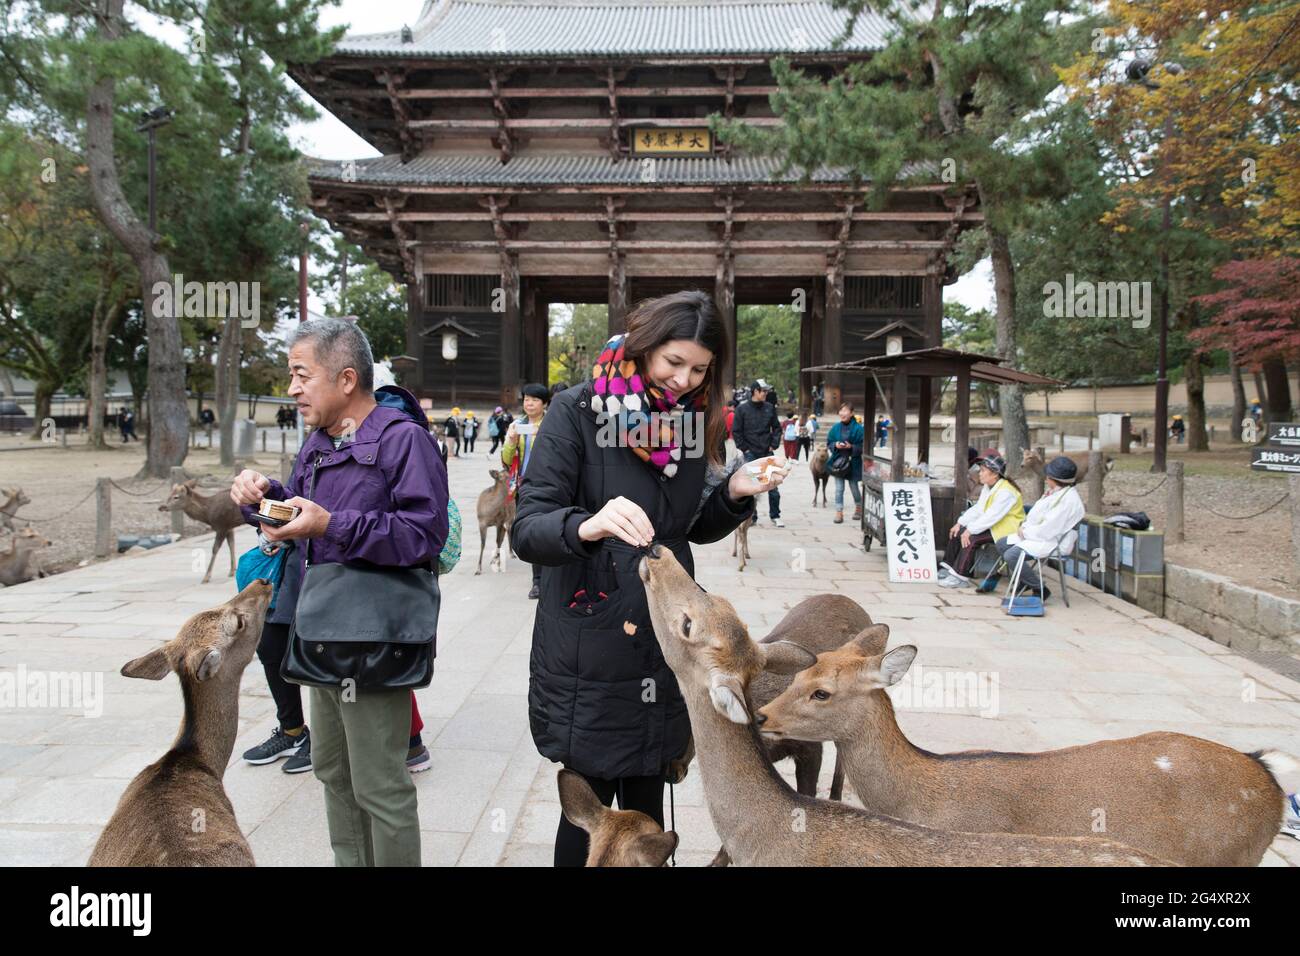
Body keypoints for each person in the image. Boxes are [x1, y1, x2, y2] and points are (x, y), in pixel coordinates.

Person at [510, 290, 784, 867]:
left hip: (667, 635)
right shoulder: (576, 411)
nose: (686, 380)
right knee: (587, 805)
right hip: (593, 637)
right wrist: (588, 523)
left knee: (650, 794)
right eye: (674, 362)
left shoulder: (689, 421)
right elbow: (529, 525)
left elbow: (684, 527)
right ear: (642, 347)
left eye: (701, 369)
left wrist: (734, 492)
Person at [230, 317, 449, 867]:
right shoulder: (320, 444)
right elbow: (303, 514)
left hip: (372, 637)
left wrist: (332, 526)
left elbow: (424, 535)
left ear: (346, 378)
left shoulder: (404, 441)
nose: (292, 388)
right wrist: (261, 499)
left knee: (379, 783)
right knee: (332, 769)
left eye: (302, 375)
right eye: (291, 375)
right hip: (321, 628)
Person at [982, 455, 1085, 601]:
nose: (1045, 478)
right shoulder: (1055, 492)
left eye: (1048, 476)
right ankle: (1025, 580)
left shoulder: (1068, 501)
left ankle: (1039, 587)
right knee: (1002, 543)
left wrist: (1025, 532)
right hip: (1040, 534)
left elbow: (1049, 529)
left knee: (1011, 555)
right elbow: (1038, 516)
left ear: (1054, 480)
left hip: (1053, 541)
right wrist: (1024, 527)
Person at [938, 453, 1025, 589]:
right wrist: (961, 523)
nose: (980, 473)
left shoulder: (1006, 492)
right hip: (994, 526)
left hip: (1006, 531)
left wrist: (970, 530)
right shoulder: (989, 487)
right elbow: (979, 509)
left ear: (994, 474)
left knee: (971, 538)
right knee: (957, 531)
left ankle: (960, 577)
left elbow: (992, 516)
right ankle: (947, 568)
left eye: (983, 470)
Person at [502, 384, 550, 599]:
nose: (529, 404)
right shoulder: (516, 425)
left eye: (534, 400)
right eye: (526, 399)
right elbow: (505, 459)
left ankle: (547, 576)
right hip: (524, 485)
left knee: (546, 529)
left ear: (544, 403)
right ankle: (537, 580)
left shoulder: (552, 424)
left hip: (548, 483)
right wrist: (511, 441)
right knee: (532, 529)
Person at [732, 379, 783, 526]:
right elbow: (737, 431)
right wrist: (744, 448)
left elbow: (777, 428)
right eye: (764, 391)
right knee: (752, 488)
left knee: (773, 486)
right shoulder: (742, 409)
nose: (766, 393)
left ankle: (775, 515)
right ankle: (751, 517)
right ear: (755, 391)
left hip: (767, 451)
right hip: (750, 453)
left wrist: (773, 445)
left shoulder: (769, 408)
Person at [826, 402, 864, 524]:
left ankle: (859, 506)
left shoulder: (859, 429)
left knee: (854, 487)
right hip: (839, 461)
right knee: (839, 488)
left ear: (851, 413)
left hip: (853, 461)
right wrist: (835, 445)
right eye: (841, 411)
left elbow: (864, 445)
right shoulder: (835, 428)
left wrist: (851, 447)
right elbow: (829, 442)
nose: (842, 413)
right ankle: (839, 512)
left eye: (846, 411)